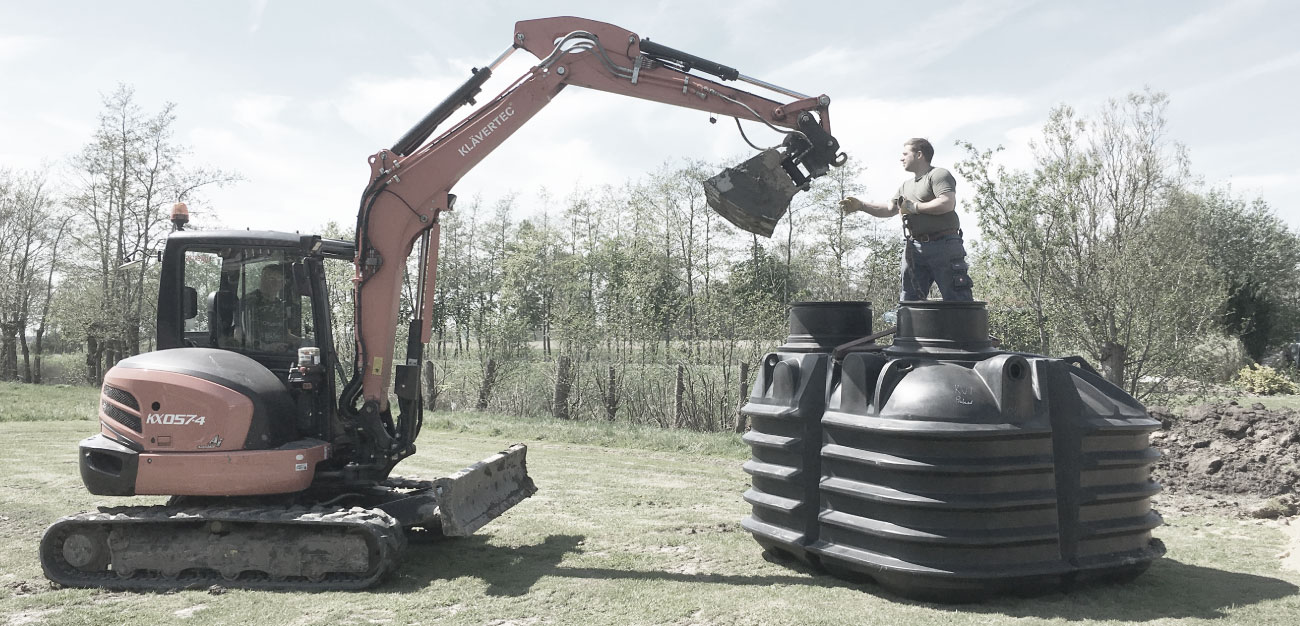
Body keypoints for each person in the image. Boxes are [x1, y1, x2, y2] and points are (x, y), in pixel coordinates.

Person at [839, 138, 974, 302]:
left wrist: (915, 207)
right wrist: (861, 205)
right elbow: (889, 209)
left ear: (919, 155)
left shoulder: (938, 175)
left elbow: (946, 203)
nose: (901, 158)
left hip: (944, 244)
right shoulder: (905, 186)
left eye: (905, 154)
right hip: (914, 248)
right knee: (909, 302)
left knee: (958, 300)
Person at [240, 264, 299, 352]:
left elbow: (285, 335)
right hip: (257, 356)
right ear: (262, 280)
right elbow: (241, 336)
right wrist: (267, 347)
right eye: (271, 279)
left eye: (280, 279)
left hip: (281, 354)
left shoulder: (280, 306)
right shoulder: (249, 301)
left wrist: (305, 342)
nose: (276, 283)